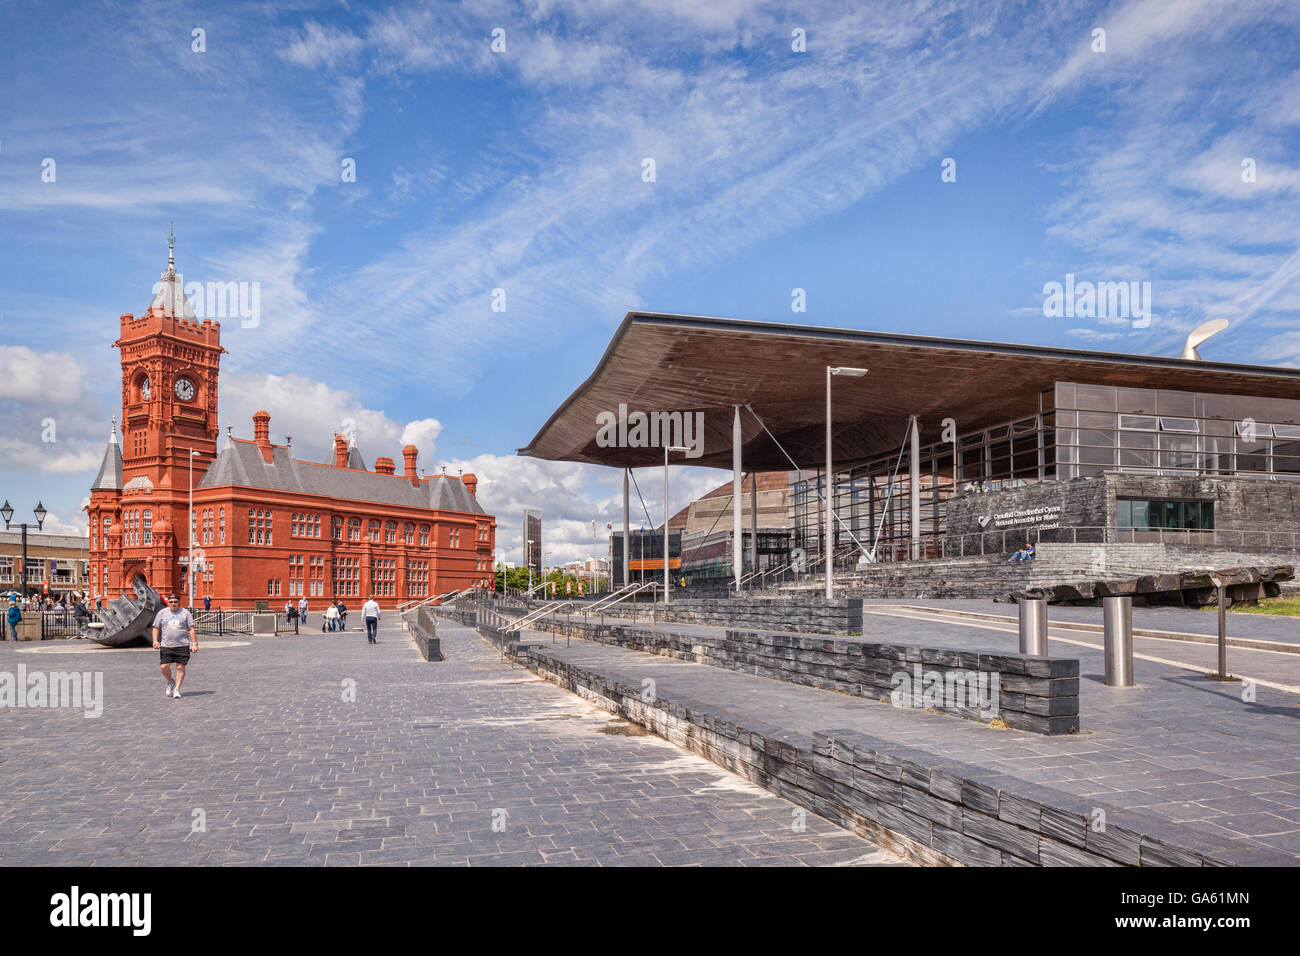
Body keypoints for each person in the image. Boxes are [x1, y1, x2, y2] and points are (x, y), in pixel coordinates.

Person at [152, 593, 198, 699]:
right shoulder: (162, 613)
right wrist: (155, 641)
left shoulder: (185, 613)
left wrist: (194, 643)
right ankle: (170, 682)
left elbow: (191, 629)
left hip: (182, 645)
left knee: (180, 667)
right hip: (166, 645)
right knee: (164, 666)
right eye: (171, 602)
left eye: (175, 602)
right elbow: (155, 628)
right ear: (168, 603)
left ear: (179, 602)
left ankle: (177, 689)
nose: (173, 604)